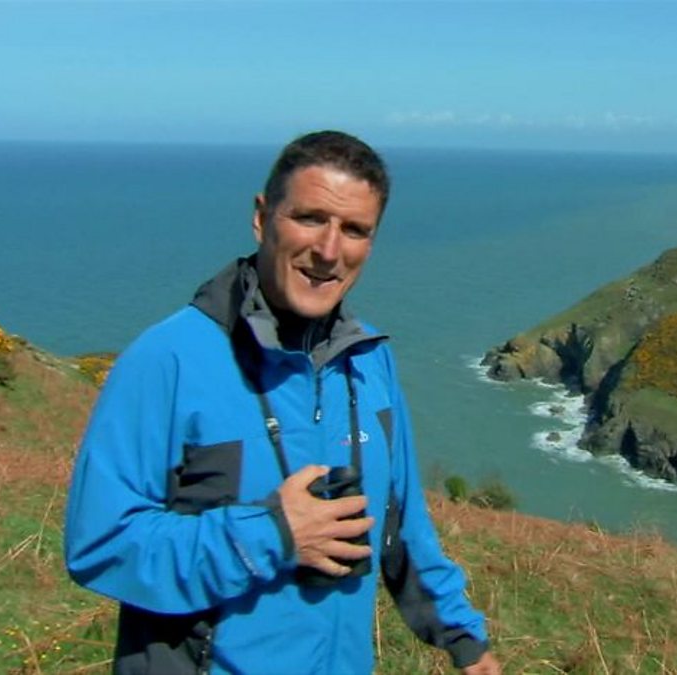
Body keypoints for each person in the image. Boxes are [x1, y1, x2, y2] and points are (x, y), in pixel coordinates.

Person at [64, 131, 501, 674]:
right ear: (262, 216)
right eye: (310, 218)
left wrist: (463, 639)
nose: (328, 251)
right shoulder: (169, 360)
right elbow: (101, 543)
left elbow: (401, 522)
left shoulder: (368, 361)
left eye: (355, 230)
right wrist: (271, 533)